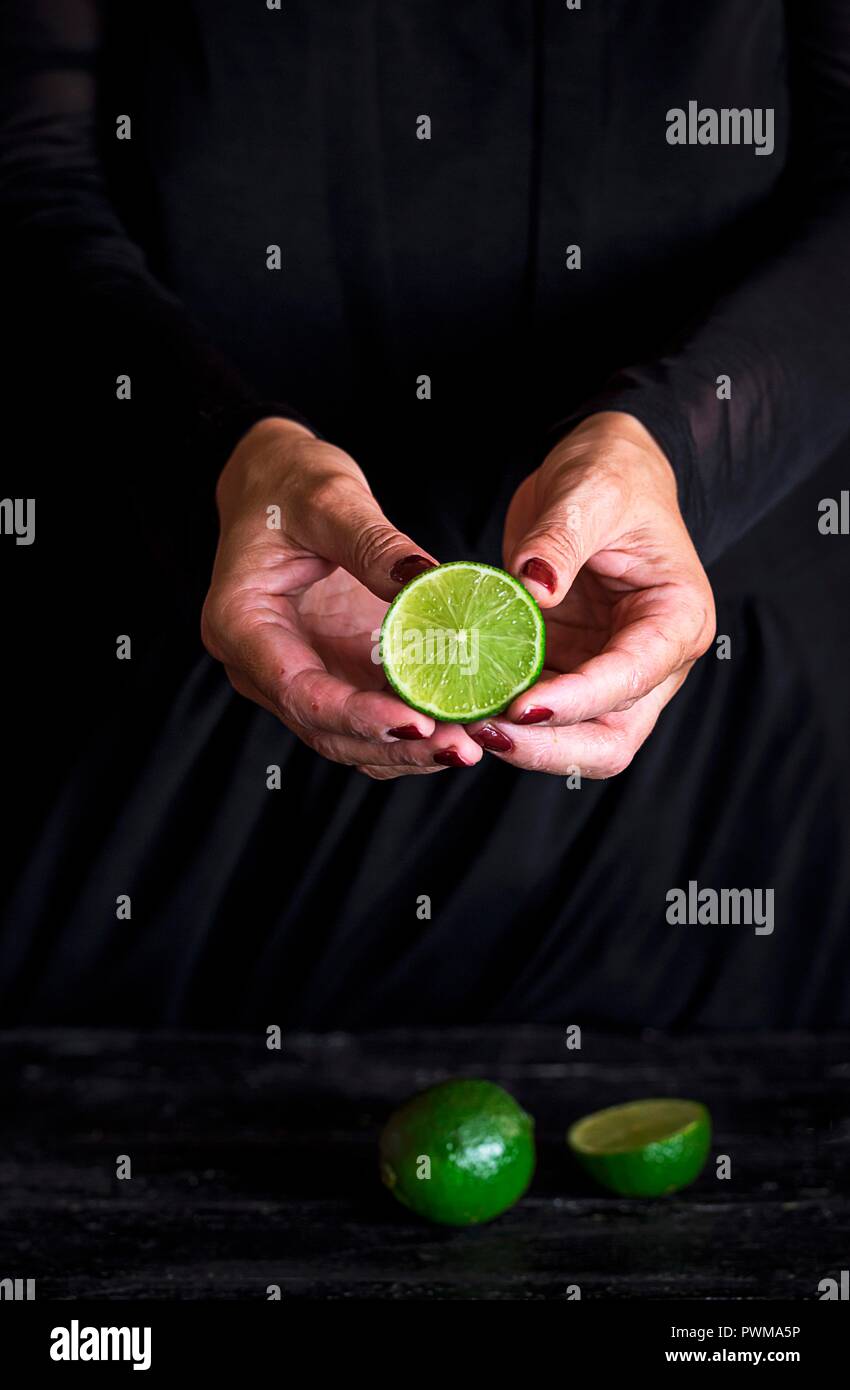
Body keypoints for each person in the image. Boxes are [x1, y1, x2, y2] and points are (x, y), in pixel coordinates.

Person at [1, 0, 849, 1026]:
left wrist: (674, 454)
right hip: (177, 691)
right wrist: (218, 454)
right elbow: (28, 172)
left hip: (681, 692)